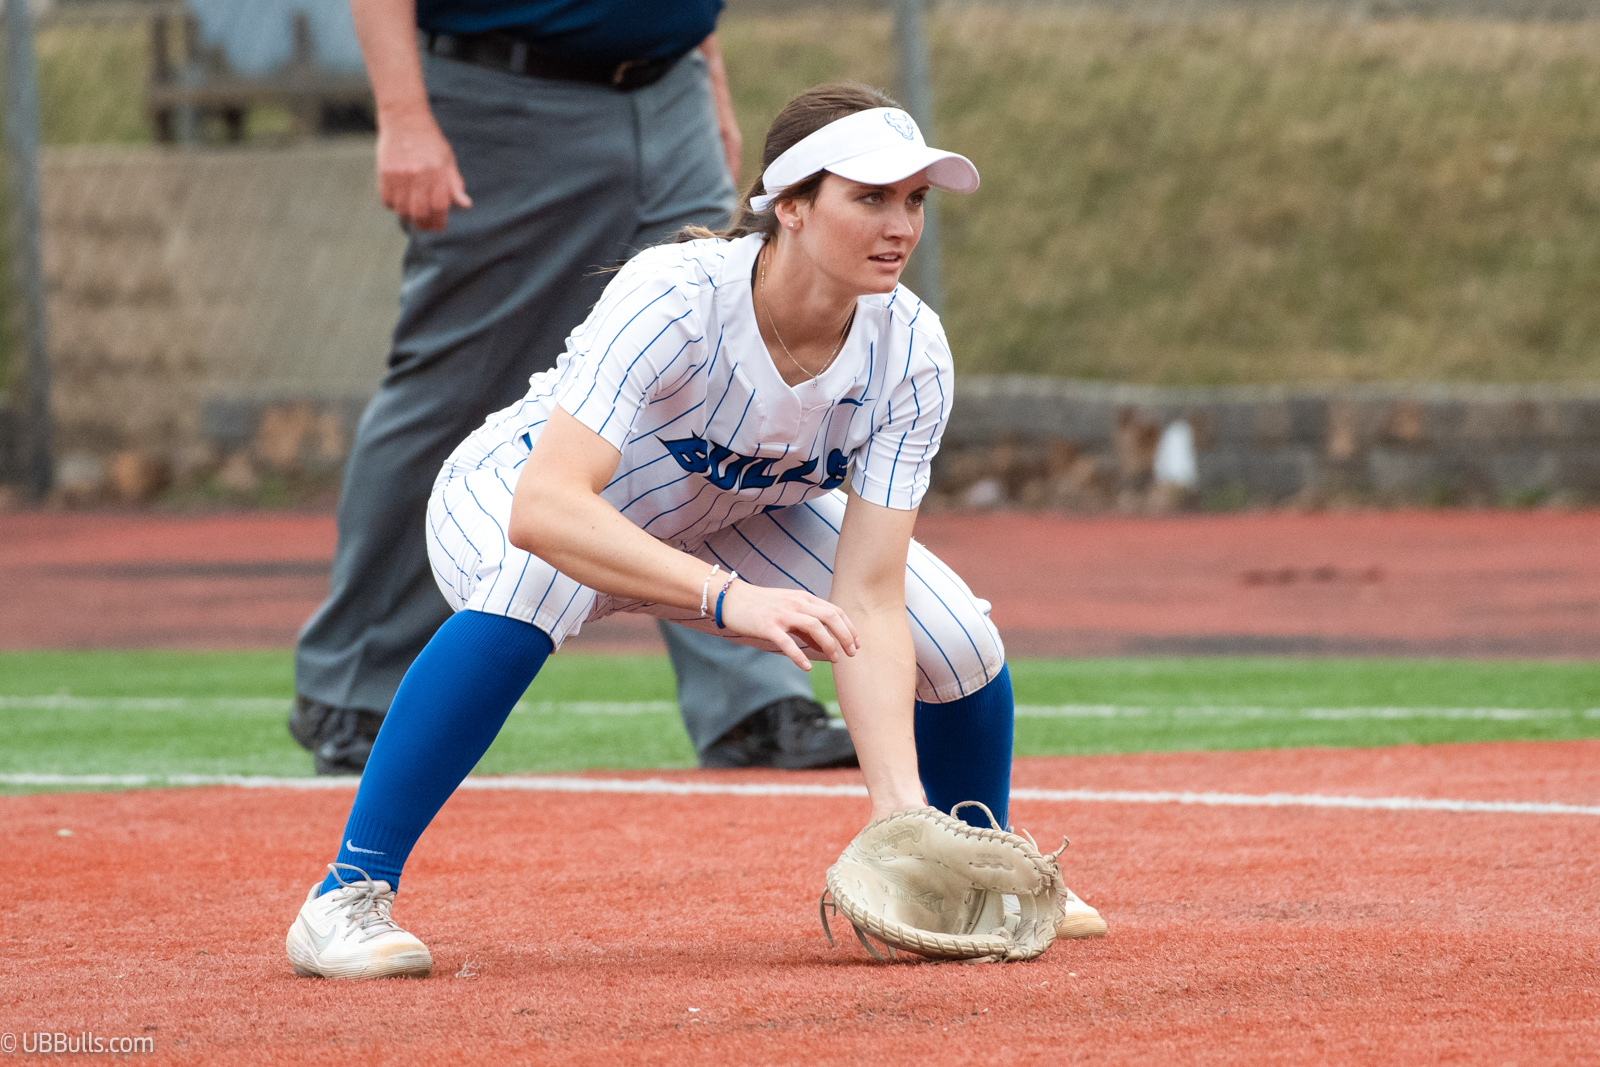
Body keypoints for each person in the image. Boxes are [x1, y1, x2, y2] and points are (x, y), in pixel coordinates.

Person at [284, 83, 1107, 980]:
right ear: (789, 206)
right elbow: (547, 507)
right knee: (540, 576)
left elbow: (869, 592)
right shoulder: (677, 295)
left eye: (914, 199)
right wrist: (727, 599)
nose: (901, 224)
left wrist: (896, 811)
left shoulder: (910, 347)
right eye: (869, 198)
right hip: (519, 488)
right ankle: (344, 895)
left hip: (730, 515)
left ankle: (969, 879)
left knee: (955, 635)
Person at [289, 0, 855, 776]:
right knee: (459, 380)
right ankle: (356, 683)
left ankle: (753, 698)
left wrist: (711, 89)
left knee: (704, 375)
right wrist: (403, 114)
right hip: (507, 97)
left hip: (671, 91)